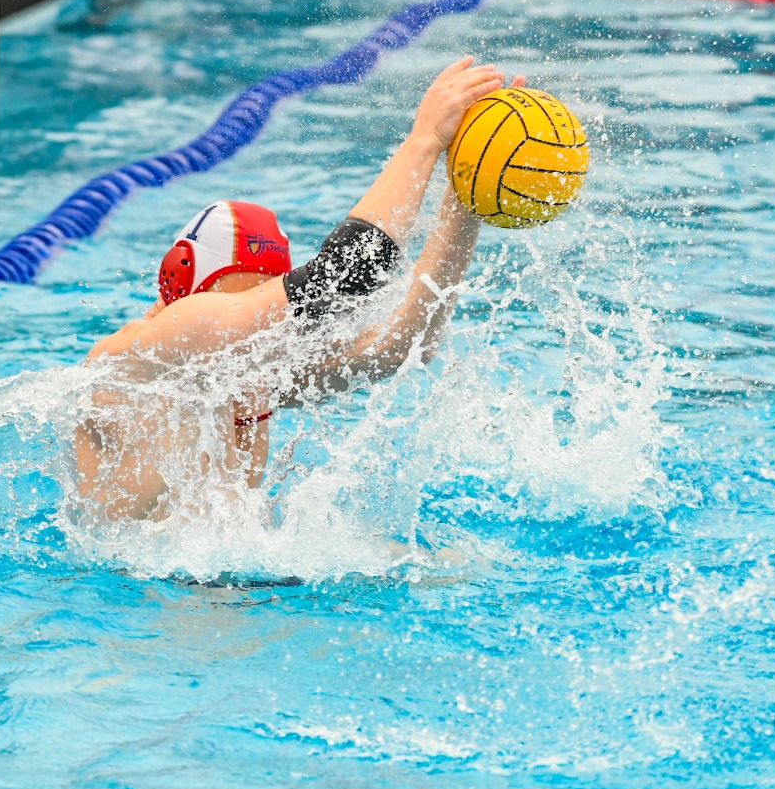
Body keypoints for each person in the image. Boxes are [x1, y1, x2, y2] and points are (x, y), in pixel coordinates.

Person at [74, 56, 522, 522]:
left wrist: (464, 202)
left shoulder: (247, 368)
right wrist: (423, 140)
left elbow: (404, 345)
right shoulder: (146, 353)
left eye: (266, 300)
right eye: (241, 305)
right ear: (182, 281)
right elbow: (346, 275)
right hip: (138, 568)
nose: (268, 329)